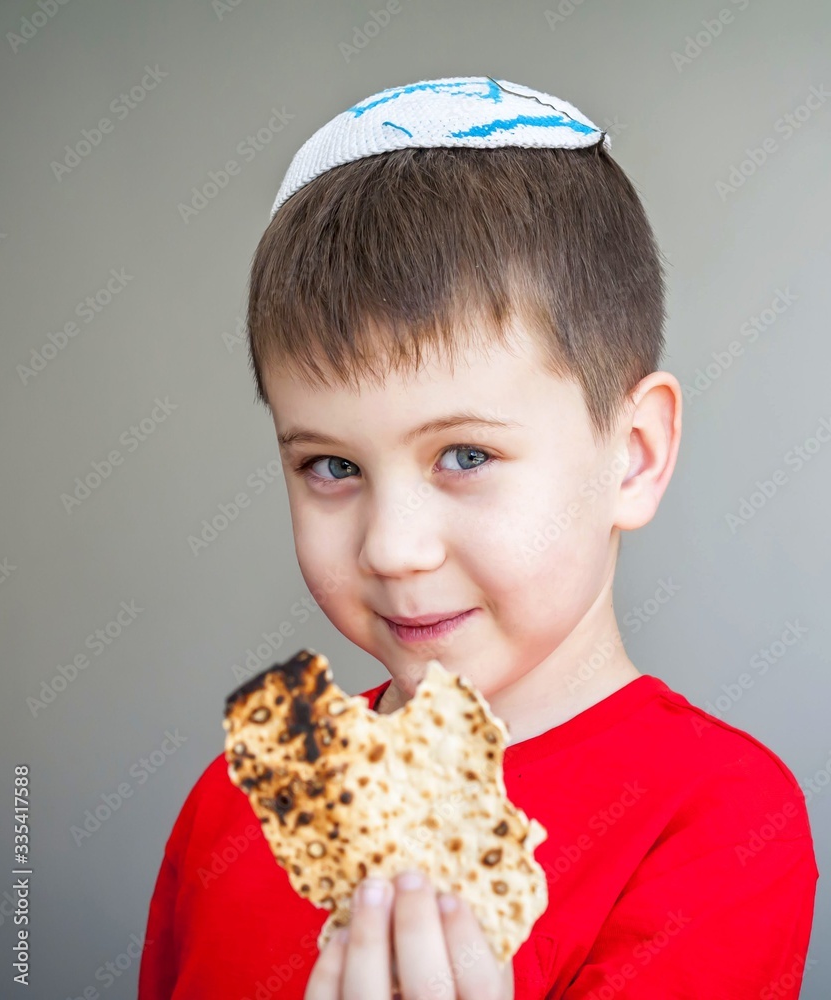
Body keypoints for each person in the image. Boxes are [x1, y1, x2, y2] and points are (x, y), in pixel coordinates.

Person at [138, 77, 818, 1000]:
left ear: (634, 456)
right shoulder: (234, 804)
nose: (393, 548)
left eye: (464, 453)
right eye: (331, 467)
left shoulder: (720, 823)